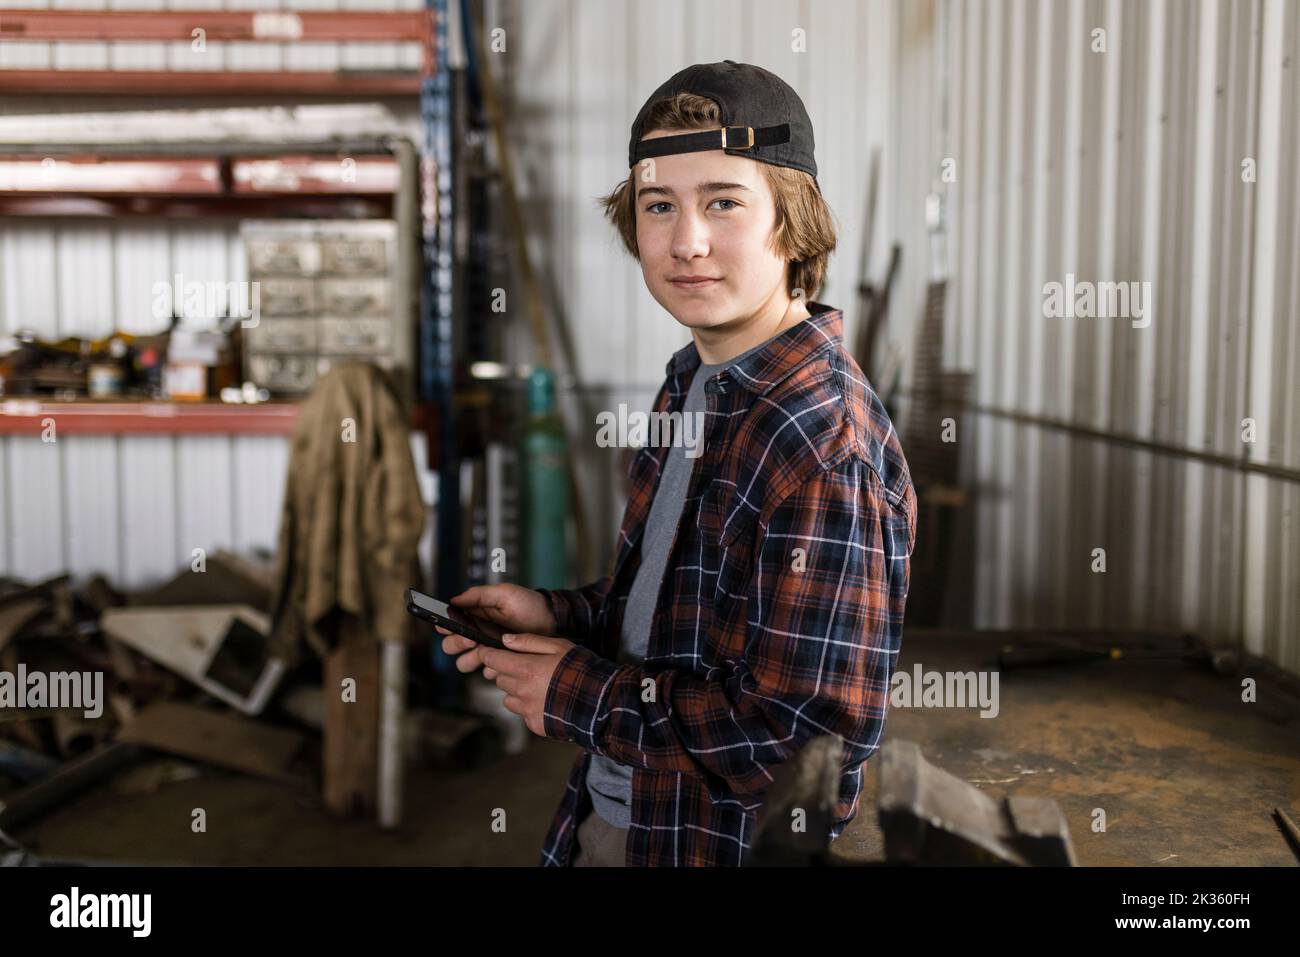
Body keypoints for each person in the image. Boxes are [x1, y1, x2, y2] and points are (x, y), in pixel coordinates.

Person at [439, 60, 917, 867]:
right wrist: (558, 616)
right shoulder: (693, 383)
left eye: (723, 202)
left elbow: (801, 745)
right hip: (622, 818)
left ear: (792, 220)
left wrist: (574, 692)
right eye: (659, 205)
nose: (686, 242)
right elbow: (677, 620)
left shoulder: (821, 445)